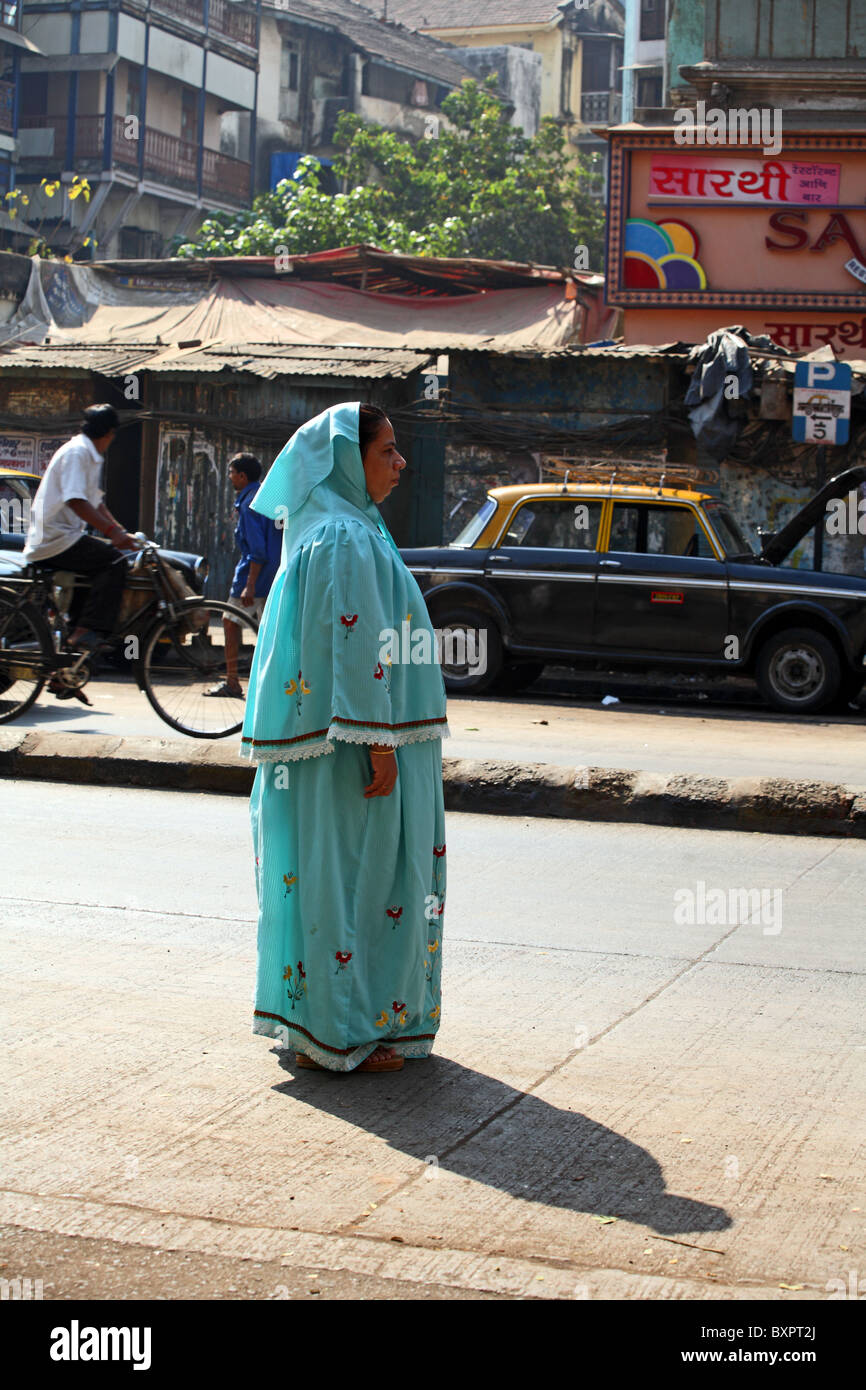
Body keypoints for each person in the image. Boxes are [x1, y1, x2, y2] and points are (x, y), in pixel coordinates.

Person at [240, 402, 449, 1074]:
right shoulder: (345, 536)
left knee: (330, 876)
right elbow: (353, 643)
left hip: (334, 741)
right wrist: (377, 740)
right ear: (344, 460)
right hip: (357, 745)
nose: (401, 462)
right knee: (369, 883)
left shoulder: (340, 527)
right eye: (387, 450)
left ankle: (325, 1027)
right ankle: (355, 1030)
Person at [23, 404, 137, 648]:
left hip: (65, 536)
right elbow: (76, 501)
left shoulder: (89, 454)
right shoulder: (78, 453)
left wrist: (120, 531)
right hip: (54, 538)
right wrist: (113, 533)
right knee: (114, 562)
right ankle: (87, 630)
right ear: (109, 434)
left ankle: (73, 646)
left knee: (96, 571)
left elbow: (95, 503)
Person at [206, 453, 282, 699]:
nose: (230, 478)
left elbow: (257, 551)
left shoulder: (249, 504)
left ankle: (232, 682)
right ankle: (273, 685)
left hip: (255, 577)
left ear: (241, 476)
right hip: (273, 575)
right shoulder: (266, 497)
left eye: (231, 473)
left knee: (230, 622)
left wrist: (249, 585)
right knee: (269, 632)